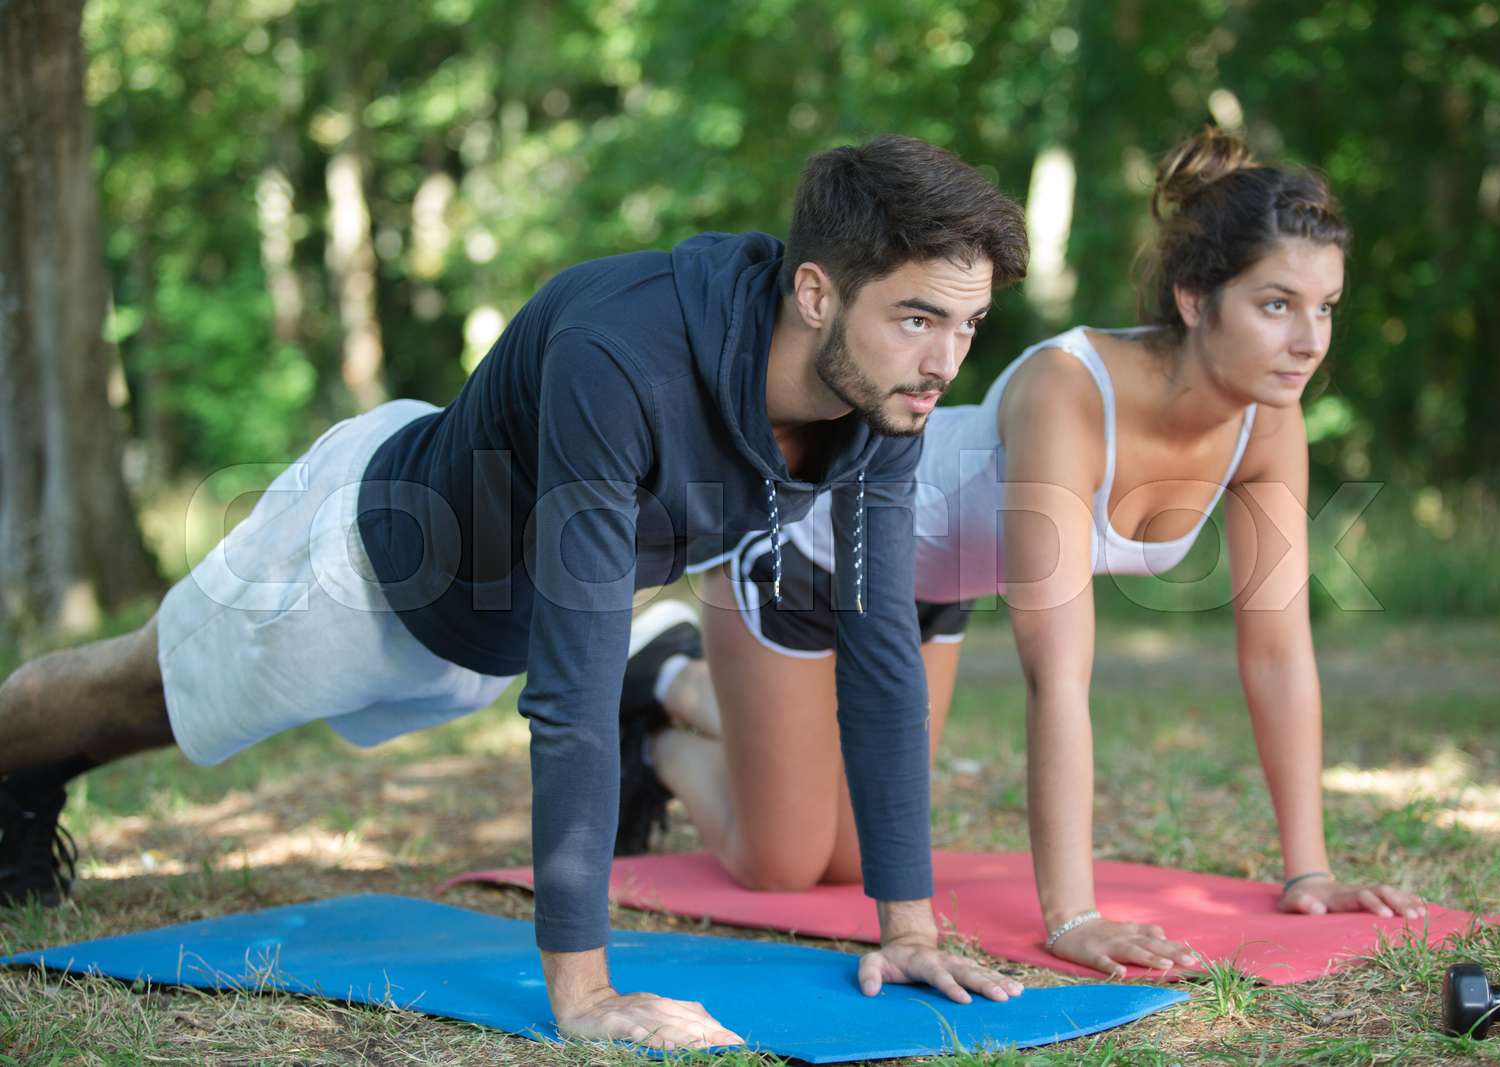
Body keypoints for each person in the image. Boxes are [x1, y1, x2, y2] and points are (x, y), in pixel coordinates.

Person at [0, 135, 1032, 1049]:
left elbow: (882, 649)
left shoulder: (883, 399)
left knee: (450, 673)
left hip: (490, 636)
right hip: (363, 574)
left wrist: (906, 927)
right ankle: (18, 768)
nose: (944, 361)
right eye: (916, 317)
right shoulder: (622, 354)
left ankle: (654, 678)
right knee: (144, 700)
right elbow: (570, 690)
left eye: (968, 325)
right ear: (816, 293)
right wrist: (582, 989)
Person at [626, 128, 1426, 981]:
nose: (1310, 339)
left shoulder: (1269, 419)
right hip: (804, 550)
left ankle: (706, 696)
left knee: (853, 860)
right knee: (781, 863)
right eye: (1277, 304)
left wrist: (1309, 871)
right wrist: (1072, 915)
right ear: (1195, 297)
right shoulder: (1071, 390)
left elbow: (1277, 651)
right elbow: (1059, 674)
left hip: (921, 594)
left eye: (1326, 306)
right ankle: (661, 694)